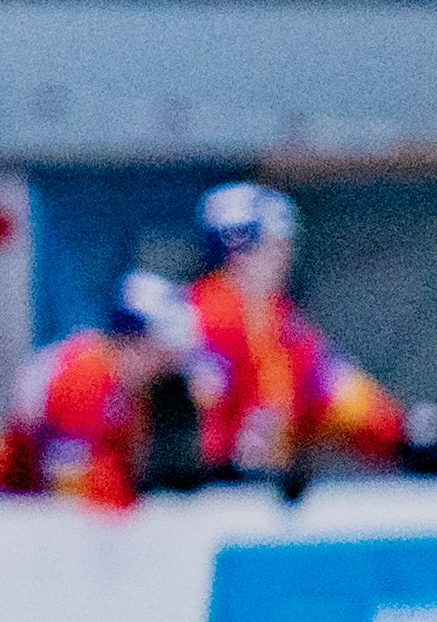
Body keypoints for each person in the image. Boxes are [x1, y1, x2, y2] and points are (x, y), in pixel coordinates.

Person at [174, 182, 411, 490]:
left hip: (256, 496)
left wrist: (404, 431)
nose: (286, 259)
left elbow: (340, 394)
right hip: (203, 503)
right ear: (237, 248)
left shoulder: (281, 320)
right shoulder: (200, 314)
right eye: (275, 245)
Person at [0, 277, 216, 507]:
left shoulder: (132, 387)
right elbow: (66, 485)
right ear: (133, 342)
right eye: (162, 352)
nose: (167, 366)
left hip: (44, 498)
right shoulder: (87, 377)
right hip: (8, 496)